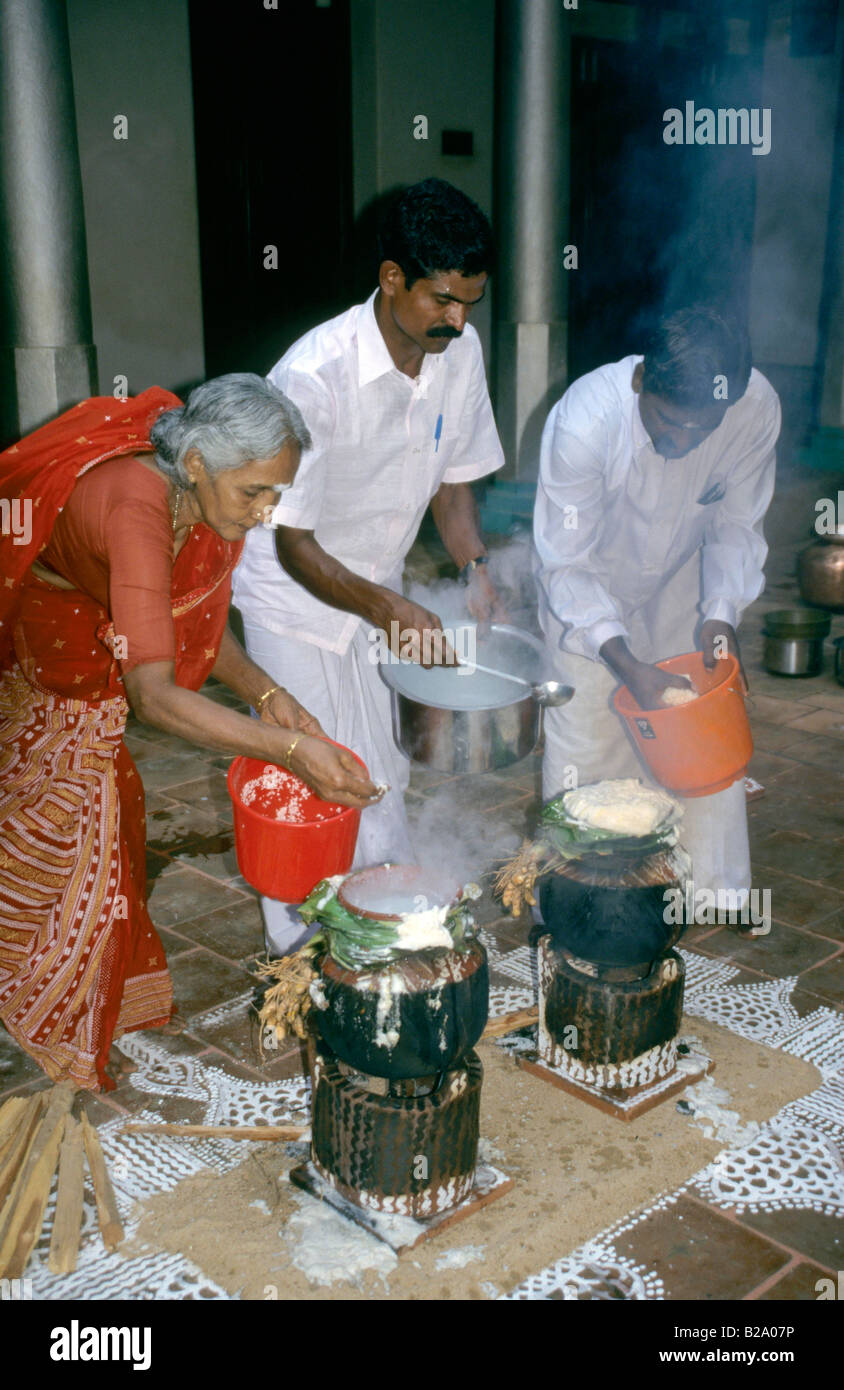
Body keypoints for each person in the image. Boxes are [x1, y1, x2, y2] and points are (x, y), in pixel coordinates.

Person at [0, 375, 381, 1091]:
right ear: (199, 463)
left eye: (277, 494)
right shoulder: (136, 508)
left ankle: (80, 983)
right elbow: (155, 695)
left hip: (105, 622)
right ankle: (43, 1000)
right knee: (63, 822)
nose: (267, 513)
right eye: (255, 493)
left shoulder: (202, 498)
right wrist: (292, 752)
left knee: (104, 825)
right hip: (61, 640)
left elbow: (186, 620)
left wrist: (269, 695)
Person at [233, 179, 506, 954]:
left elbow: (454, 486)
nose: (458, 320)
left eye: (471, 303)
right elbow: (295, 544)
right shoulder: (312, 378)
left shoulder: (460, 351)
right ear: (393, 279)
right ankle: (306, 964)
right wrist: (388, 609)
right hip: (296, 593)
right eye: (444, 301)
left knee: (381, 768)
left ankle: (388, 933)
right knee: (318, 776)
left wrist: (475, 567)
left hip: (370, 586)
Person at [534, 307, 781, 917]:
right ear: (643, 381)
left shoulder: (752, 407)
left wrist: (719, 618)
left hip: (680, 576)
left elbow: (737, 525)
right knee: (587, 749)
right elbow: (565, 563)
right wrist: (626, 662)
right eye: (670, 424)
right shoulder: (586, 422)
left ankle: (702, 899)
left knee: (701, 737)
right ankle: (578, 910)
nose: (682, 443)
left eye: (702, 431)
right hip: (587, 588)